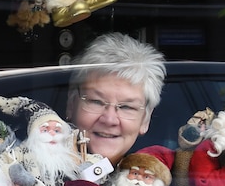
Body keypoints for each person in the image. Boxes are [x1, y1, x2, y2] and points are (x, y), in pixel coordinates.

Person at [68, 33, 166, 166]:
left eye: (127, 107)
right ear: (71, 105)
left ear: (145, 119)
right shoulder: (37, 173)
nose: (109, 120)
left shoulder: (167, 179)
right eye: (96, 101)